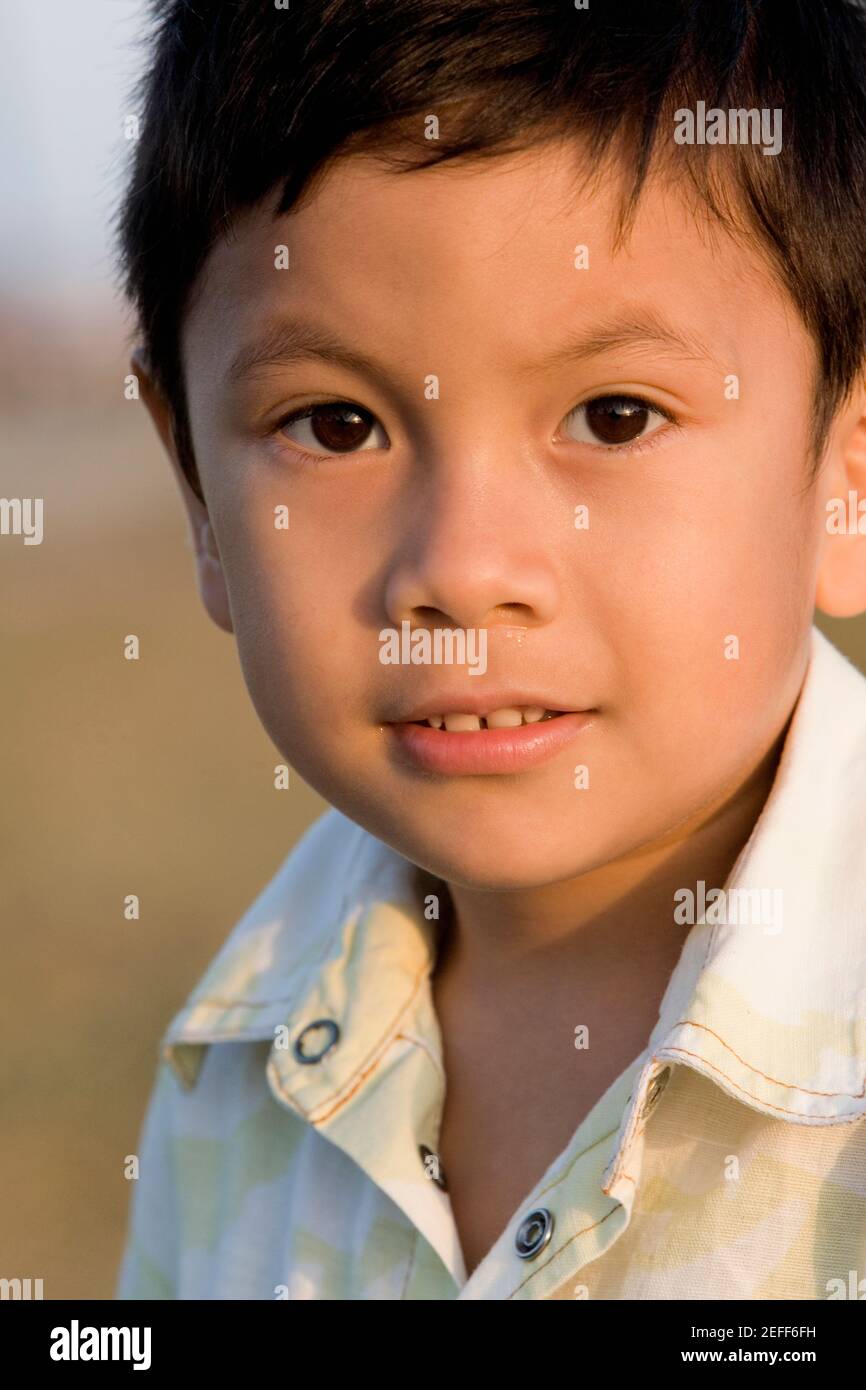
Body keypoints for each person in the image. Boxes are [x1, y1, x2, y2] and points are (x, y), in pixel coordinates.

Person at [115, 0, 866, 1299]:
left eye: (613, 414)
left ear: (848, 474)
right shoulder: (227, 1060)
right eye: (334, 426)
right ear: (196, 493)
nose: (460, 566)